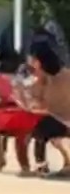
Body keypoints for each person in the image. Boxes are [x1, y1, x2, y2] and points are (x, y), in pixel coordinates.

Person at [26, 40, 70, 176]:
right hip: (61, 120)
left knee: (40, 130)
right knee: (45, 127)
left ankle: (41, 164)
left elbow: (37, 103)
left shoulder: (45, 80)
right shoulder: (64, 75)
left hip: (60, 119)